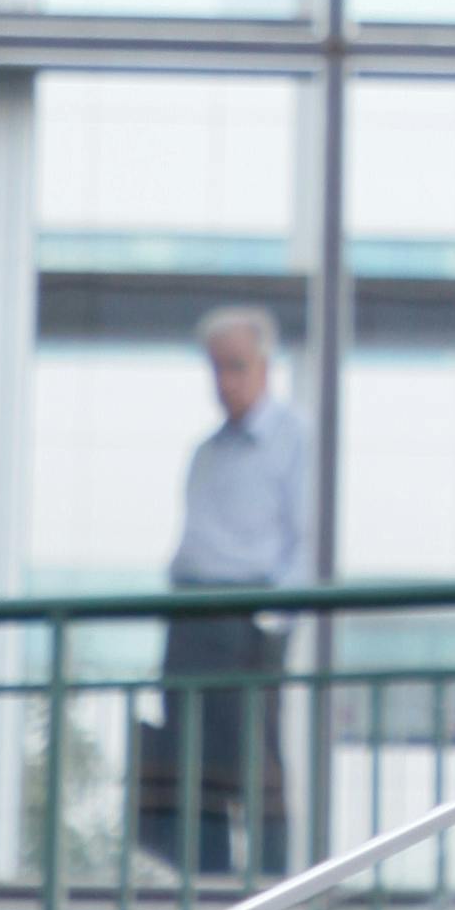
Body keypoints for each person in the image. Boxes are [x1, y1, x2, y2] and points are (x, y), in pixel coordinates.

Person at [144, 307, 309, 876]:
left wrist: (270, 623)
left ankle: (270, 881)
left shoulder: (294, 440)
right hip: (190, 616)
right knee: (190, 756)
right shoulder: (207, 450)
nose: (225, 382)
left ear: (265, 366)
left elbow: (308, 543)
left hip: (244, 619)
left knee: (253, 757)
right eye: (216, 368)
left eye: (236, 367)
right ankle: (202, 879)